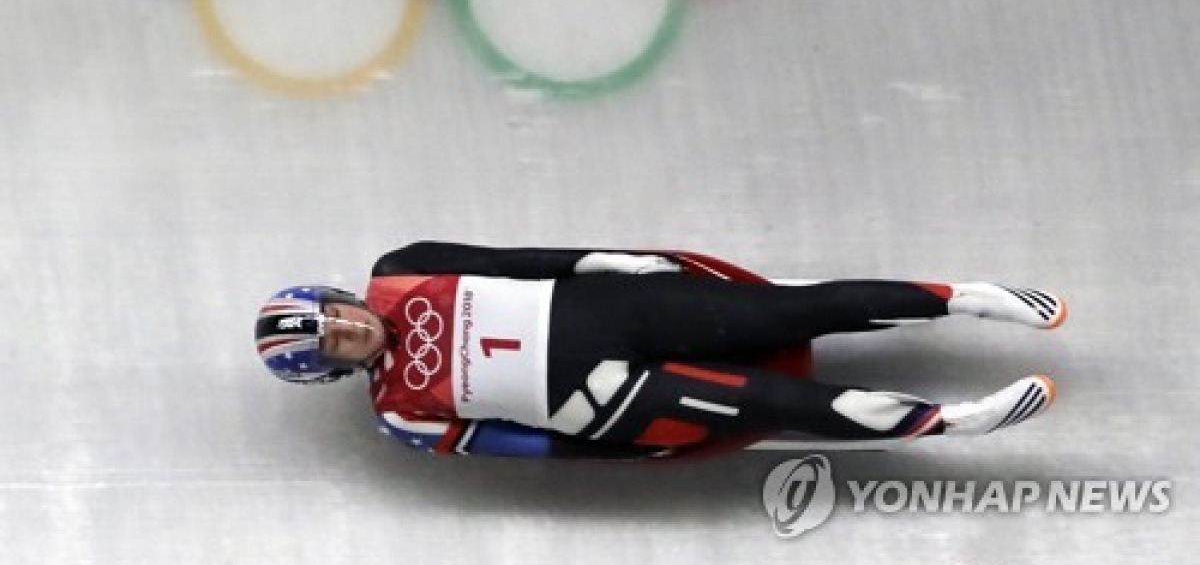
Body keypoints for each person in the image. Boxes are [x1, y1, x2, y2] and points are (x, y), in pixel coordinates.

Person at [253, 241, 1066, 459]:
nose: (350, 329)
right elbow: (530, 447)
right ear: (334, 371)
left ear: (339, 295)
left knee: (793, 311)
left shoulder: (400, 269)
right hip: (608, 403)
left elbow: (509, 260)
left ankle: (967, 300)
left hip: (615, 306)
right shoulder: (401, 417)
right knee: (774, 406)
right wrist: (614, 455)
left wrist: (598, 261)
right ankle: (952, 423)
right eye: (333, 344)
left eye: (333, 314)